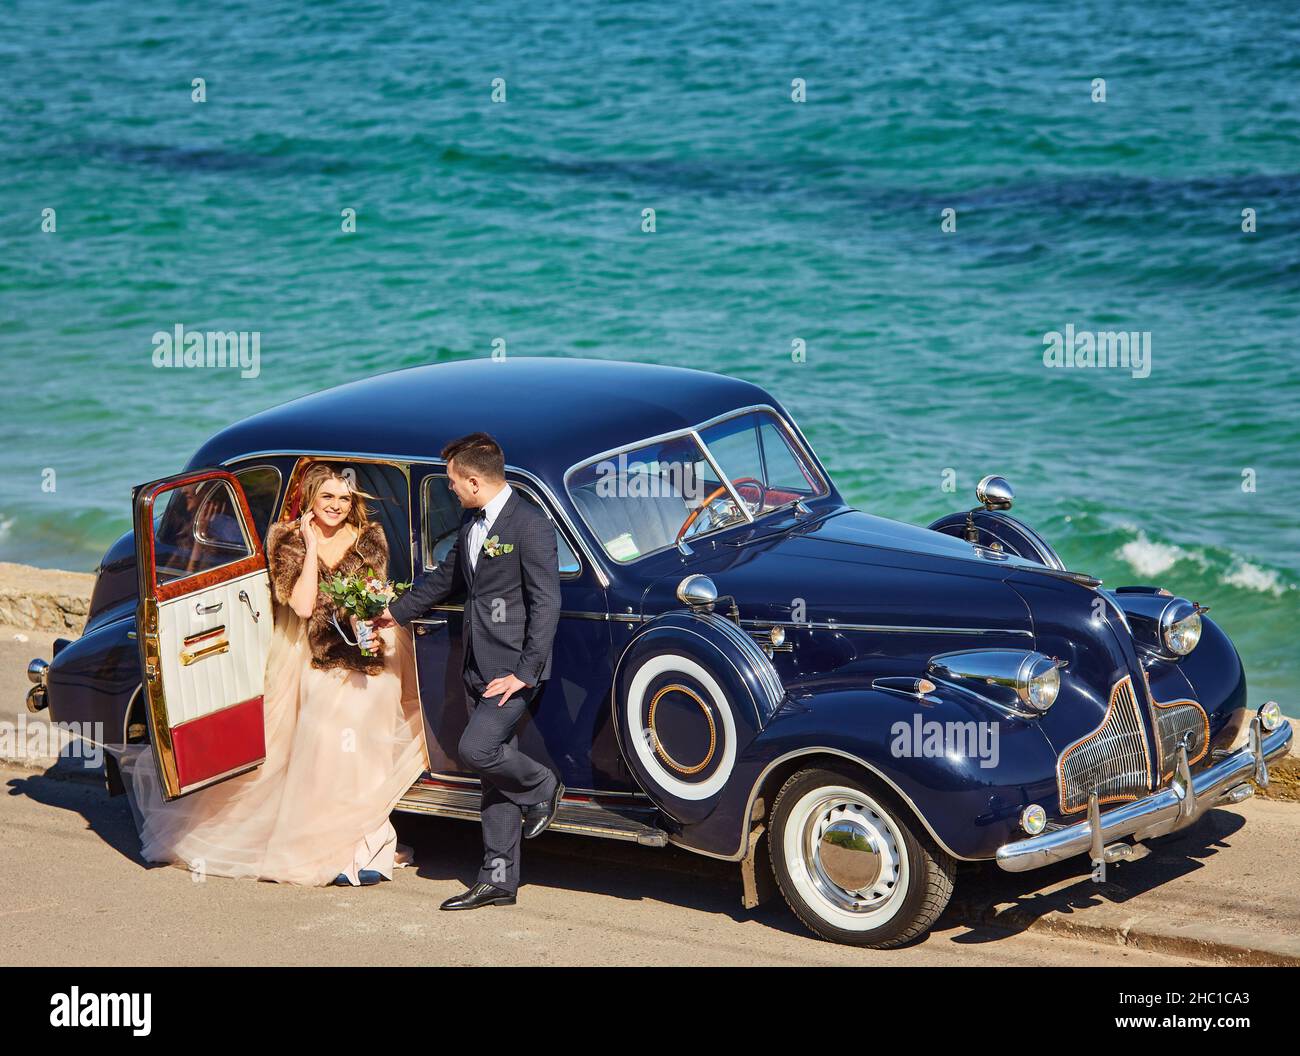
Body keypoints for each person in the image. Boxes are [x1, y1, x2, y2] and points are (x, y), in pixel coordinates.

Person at [112, 462, 429, 886]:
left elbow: (371, 599)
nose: (335, 506)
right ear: (311, 500)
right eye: (327, 497)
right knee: (326, 737)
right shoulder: (288, 539)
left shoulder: (369, 537)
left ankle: (366, 837)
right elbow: (300, 606)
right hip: (310, 651)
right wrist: (313, 549)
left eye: (343, 498)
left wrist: (370, 634)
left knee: (370, 733)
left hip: (362, 646)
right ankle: (331, 846)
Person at [374, 432, 562, 910]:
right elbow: (449, 578)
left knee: (477, 748)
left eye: (454, 482)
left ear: (474, 481)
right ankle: (498, 879)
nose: (451, 490)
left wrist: (526, 670)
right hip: (476, 663)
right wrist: (395, 612)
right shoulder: (471, 521)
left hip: (512, 671)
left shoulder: (530, 525)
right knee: (494, 775)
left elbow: (546, 603)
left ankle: (543, 786)